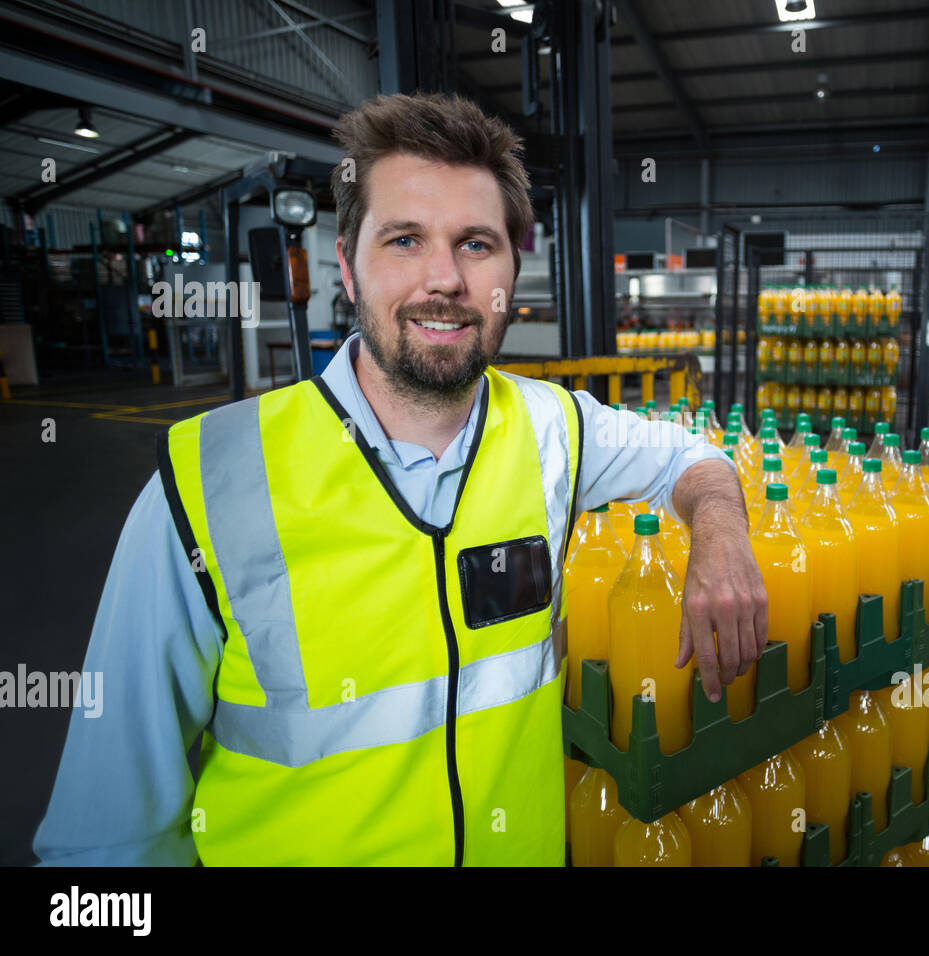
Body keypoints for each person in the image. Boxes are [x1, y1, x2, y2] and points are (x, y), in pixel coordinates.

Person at [34, 92, 767, 866]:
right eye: (405, 240)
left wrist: (720, 533)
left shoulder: (557, 429)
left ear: (513, 271)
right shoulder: (209, 485)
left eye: (476, 244)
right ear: (347, 267)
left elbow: (692, 456)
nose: (443, 279)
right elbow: (105, 840)